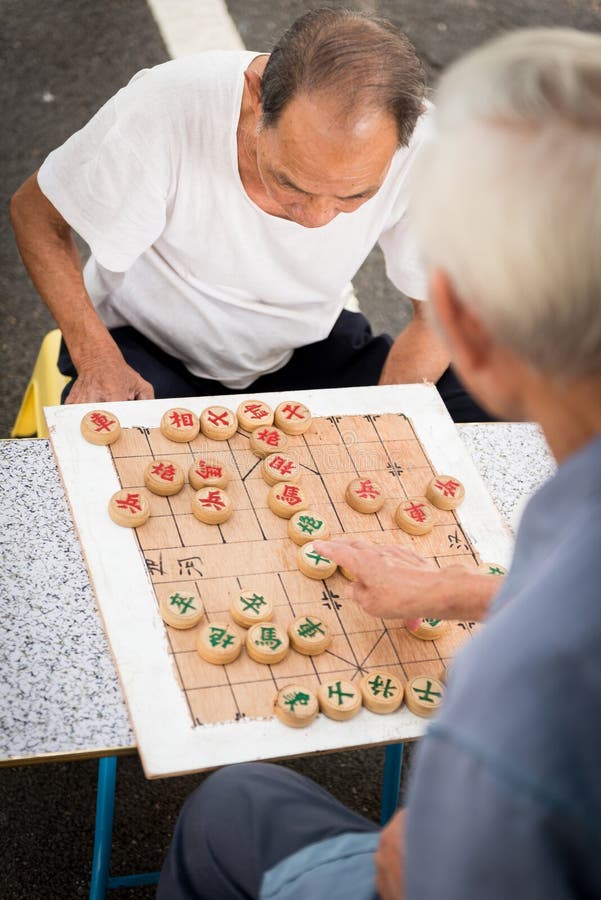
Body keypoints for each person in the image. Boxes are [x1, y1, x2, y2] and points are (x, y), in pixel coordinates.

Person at [157, 27, 601, 900]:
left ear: (465, 332)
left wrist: (418, 849)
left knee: (232, 805)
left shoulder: (521, 695)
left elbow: (421, 874)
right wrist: (452, 592)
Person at [9, 7, 487, 422]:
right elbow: (36, 214)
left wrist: (385, 424)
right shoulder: (165, 107)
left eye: (352, 197)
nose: (317, 219)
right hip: (146, 344)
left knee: (493, 395)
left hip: (302, 345)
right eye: (290, 184)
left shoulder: (428, 150)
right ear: (256, 99)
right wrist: (96, 359)